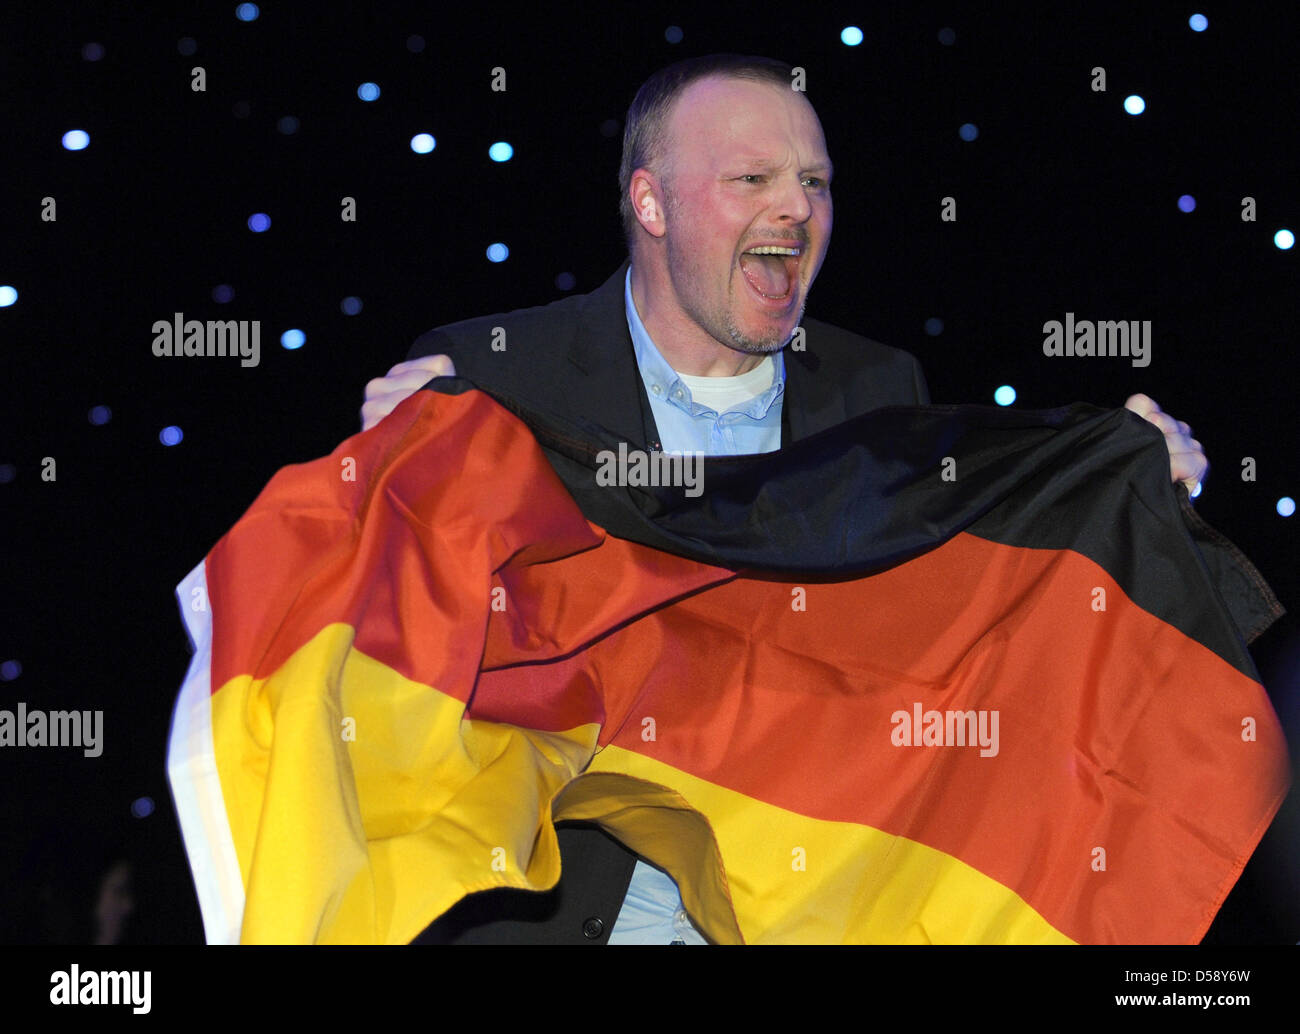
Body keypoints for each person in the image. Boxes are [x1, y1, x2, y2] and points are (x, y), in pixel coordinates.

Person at [359, 54, 1209, 944]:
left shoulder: (879, 388)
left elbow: (965, 630)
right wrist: (392, 483)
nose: (797, 207)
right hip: (570, 918)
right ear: (651, 204)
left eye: (815, 181)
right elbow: (412, 665)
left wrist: (1131, 487)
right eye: (753, 178)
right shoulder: (496, 374)